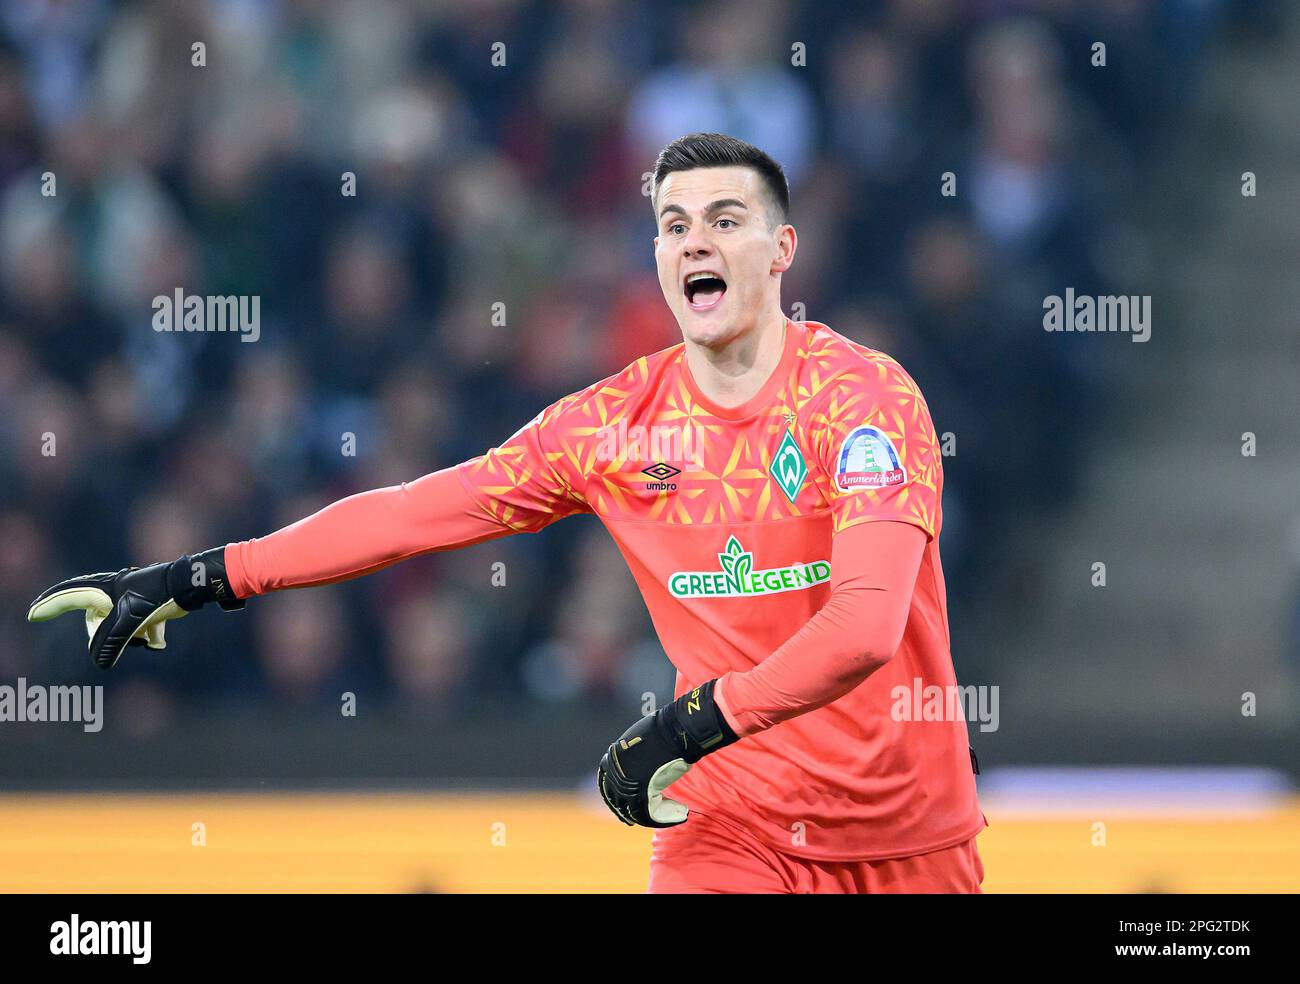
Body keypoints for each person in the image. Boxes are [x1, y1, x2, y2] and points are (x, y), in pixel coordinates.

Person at [29, 132, 986, 894]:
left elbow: (862, 628)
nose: (695, 239)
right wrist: (206, 576)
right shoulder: (610, 424)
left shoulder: (863, 401)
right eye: (673, 223)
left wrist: (688, 725)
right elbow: (416, 514)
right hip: (733, 826)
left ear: (781, 251)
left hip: (909, 841)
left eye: (726, 220)